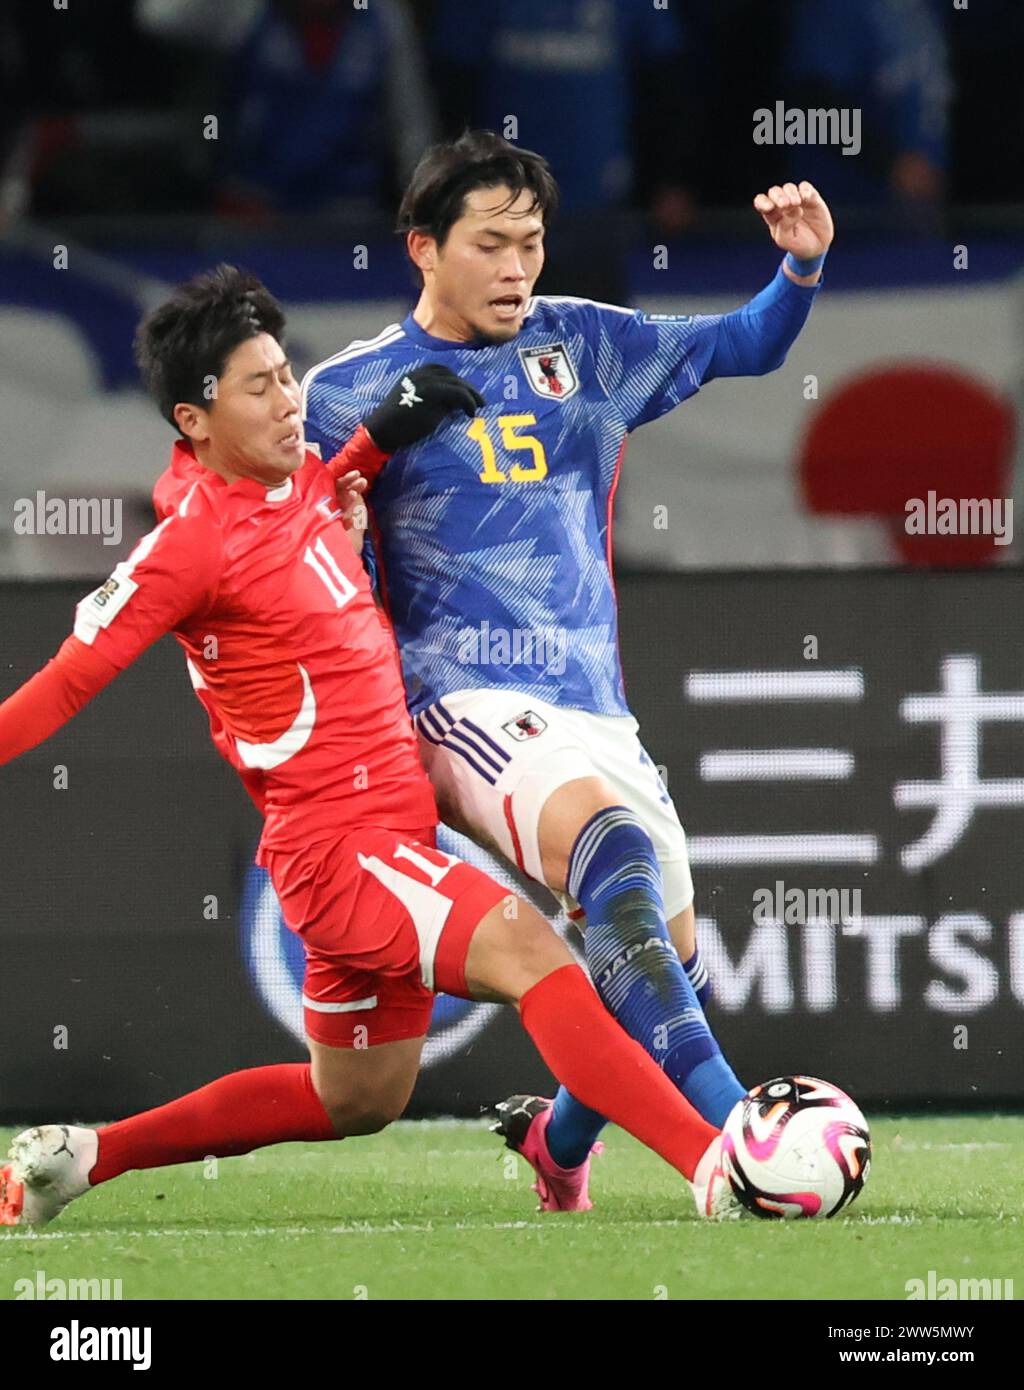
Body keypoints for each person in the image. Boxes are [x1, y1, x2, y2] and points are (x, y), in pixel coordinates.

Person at [0, 265, 733, 1229]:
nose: (285, 399)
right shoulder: (187, 543)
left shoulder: (297, 478)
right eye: (257, 387)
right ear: (194, 418)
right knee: (535, 954)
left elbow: (323, 484)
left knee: (357, 1099)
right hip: (343, 845)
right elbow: (65, 681)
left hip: (378, 837)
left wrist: (379, 436)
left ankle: (87, 1159)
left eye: (286, 375)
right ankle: (714, 1166)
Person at [301, 130, 831, 1210]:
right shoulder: (348, 390)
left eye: (530, 243)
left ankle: (556, 1139)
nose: (515, 267)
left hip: (593, 704)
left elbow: (746, 343)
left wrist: (800, 267)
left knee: (659, 962)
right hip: (460, 699)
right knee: (612, 855)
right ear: (422, 249)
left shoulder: (586, 344)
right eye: (489, 244)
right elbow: (304, 557)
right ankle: (741, 1141)